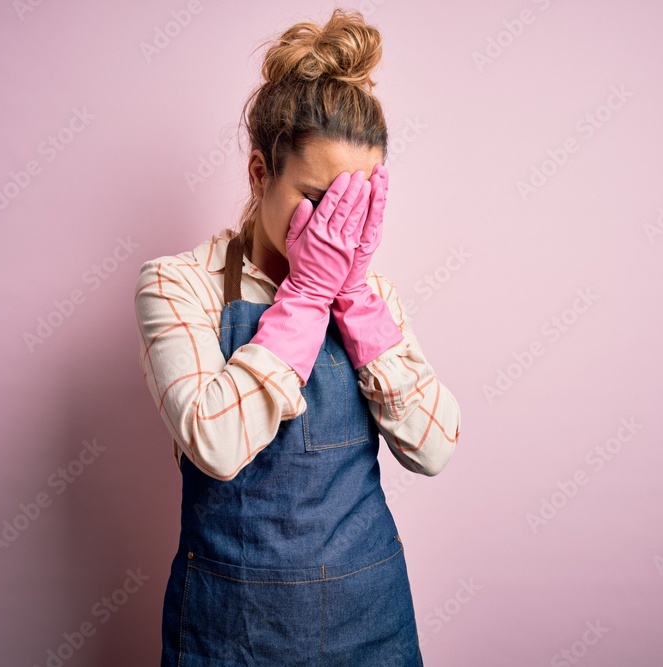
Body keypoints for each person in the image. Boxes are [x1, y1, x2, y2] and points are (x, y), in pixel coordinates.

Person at [135, 8, 461, 665]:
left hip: (370, 626)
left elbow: (434, 447)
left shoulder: (373, 297)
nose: (337, 226)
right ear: (260, 175)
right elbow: (217, 444)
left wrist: (354, 297)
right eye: (318, 196)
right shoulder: (179, 287)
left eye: (356, 200)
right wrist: (306, 296)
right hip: (229, 636)